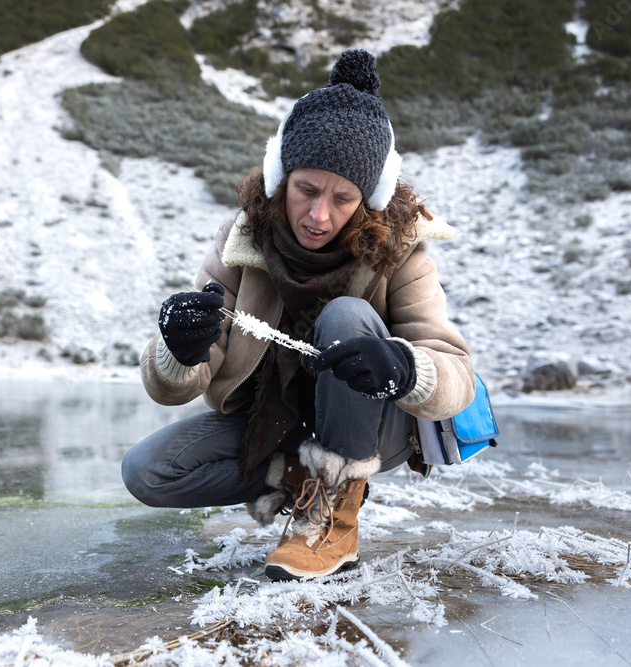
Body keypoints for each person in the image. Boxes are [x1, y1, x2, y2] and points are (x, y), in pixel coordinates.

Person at [121, 49, 475, 581]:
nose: (318, 215)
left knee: (347, 315)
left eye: (343, 199)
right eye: (306, 190)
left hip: (373, 426)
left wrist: (402, 366)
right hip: (277, 421)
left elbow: (456, 376)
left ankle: (332, 514)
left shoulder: (400, 251)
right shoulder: (242, 241)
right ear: (279, 176)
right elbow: (176, 384)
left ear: (369, 200)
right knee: (148, 472)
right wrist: (180, 349)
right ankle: (294, 473)